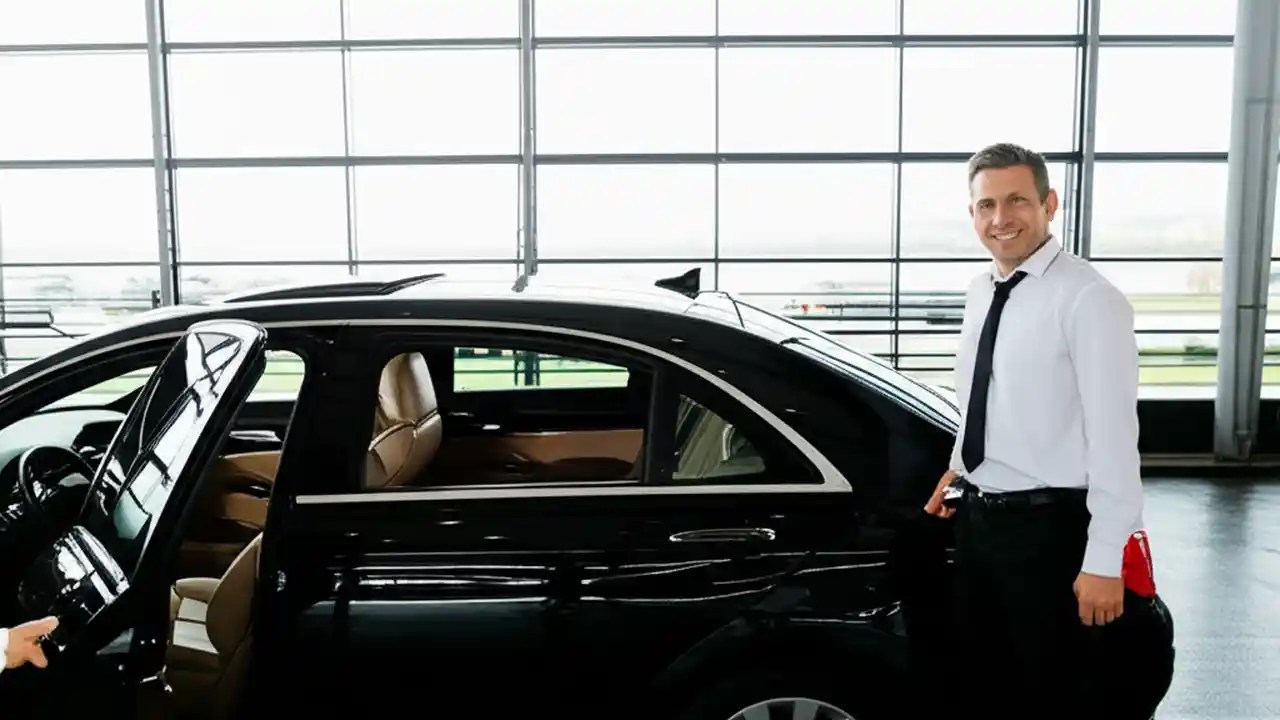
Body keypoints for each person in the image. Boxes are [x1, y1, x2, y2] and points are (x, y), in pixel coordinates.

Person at [923, 143, 1146, 717]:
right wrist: (958, 468)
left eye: (1018, 200)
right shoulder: (982, 291)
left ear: (1050, 204)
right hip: (981, 523)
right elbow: (983, 393)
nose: (1002, 219)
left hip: (1053, 531)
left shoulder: (1089, 299)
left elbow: (1116, 440)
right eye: (987, 204)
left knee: (1054, 694)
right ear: (972, 214)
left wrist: (1103, 561)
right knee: (989, 687)